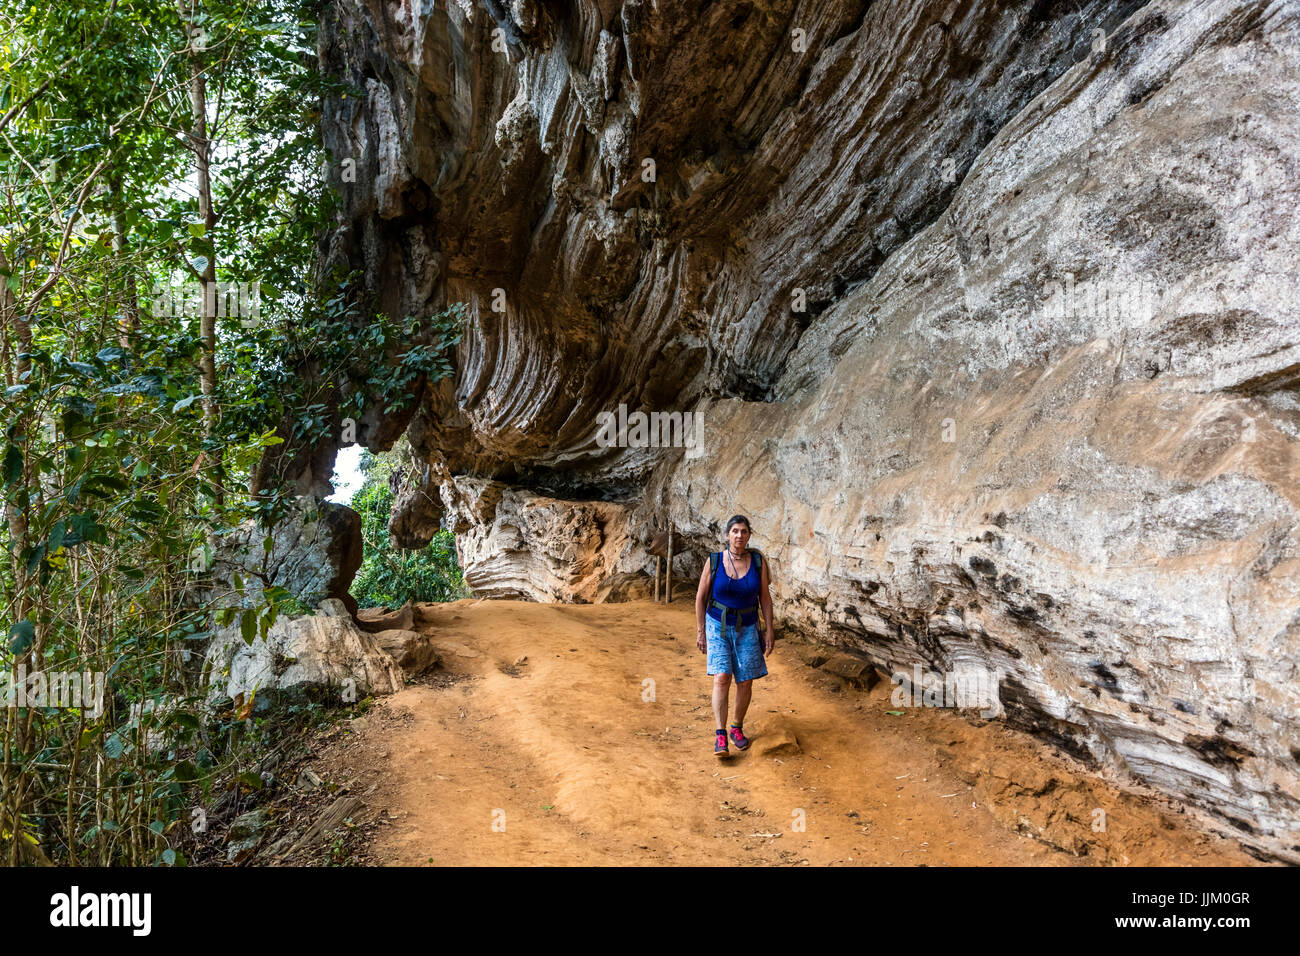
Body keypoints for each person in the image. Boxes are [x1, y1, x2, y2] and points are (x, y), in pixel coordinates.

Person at [694, 514, 775, 757]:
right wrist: (701, 632)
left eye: (744, 531)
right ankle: (720, 735)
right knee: (722, 677)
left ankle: (736, 728)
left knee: (746, 679)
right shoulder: (715, 561)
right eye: (735, 531)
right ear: (727, 535)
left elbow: (765, 599)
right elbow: (700, 597)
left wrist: (769, 629)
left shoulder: (758, 562)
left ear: (749, 535)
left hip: (748, 626)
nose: (739, 535)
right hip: (717, 624)